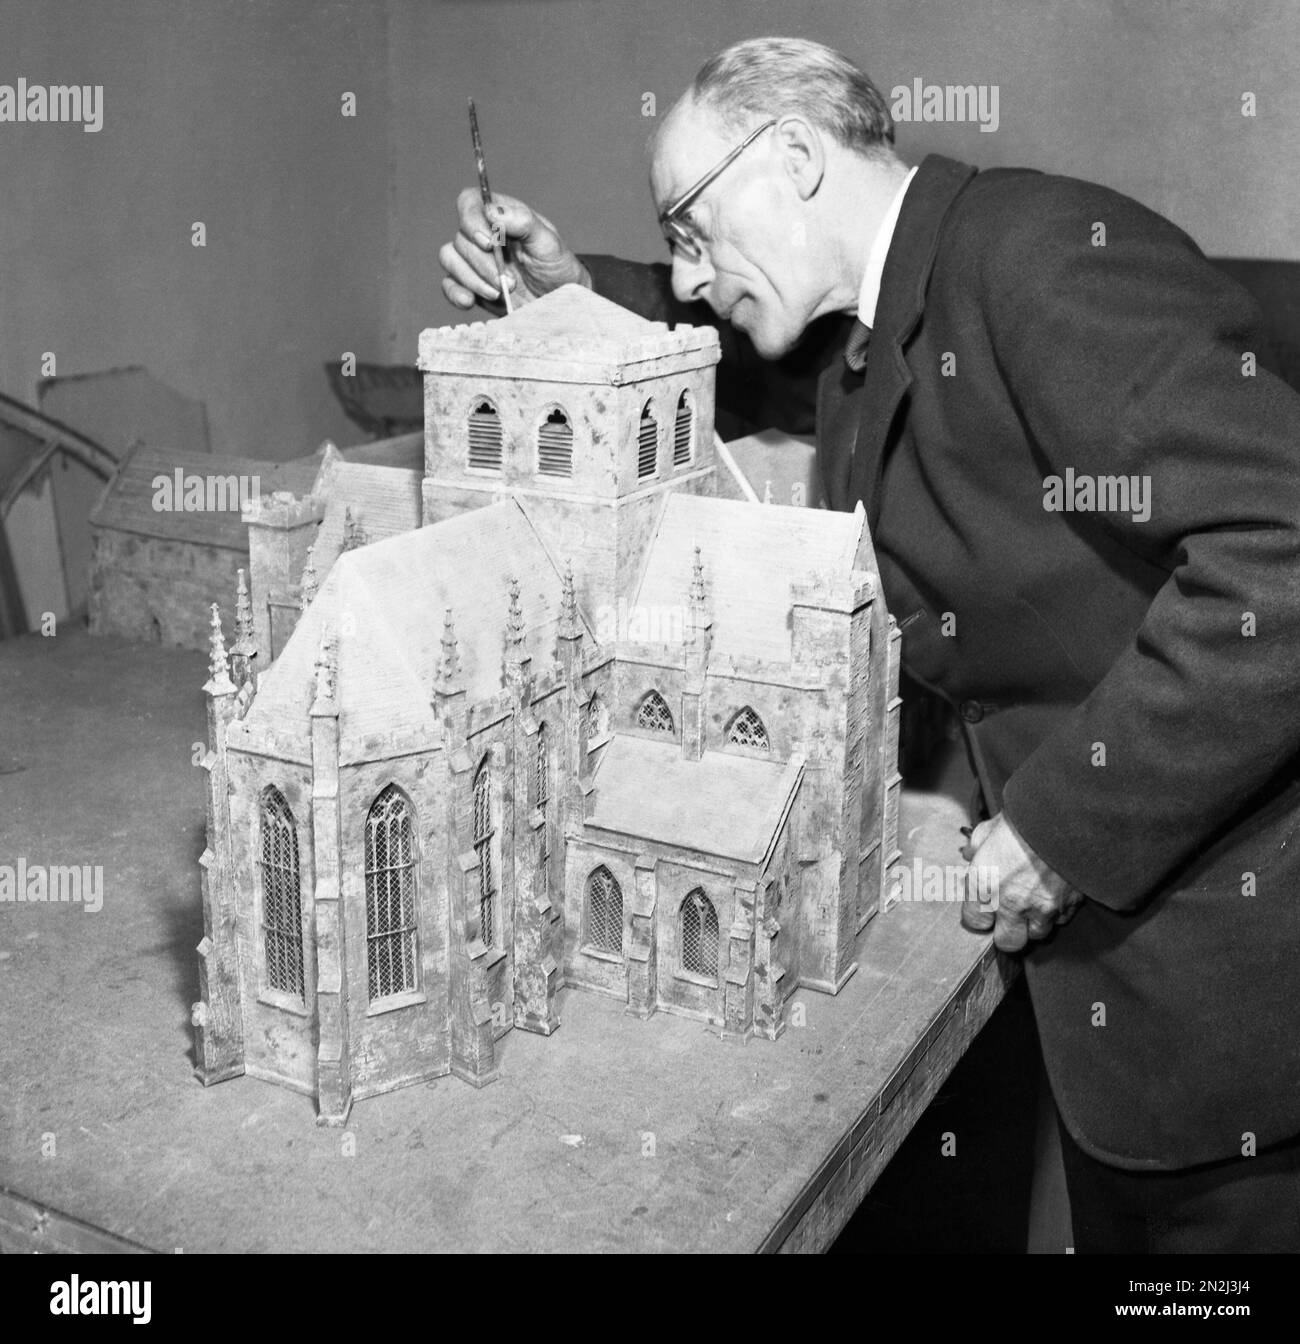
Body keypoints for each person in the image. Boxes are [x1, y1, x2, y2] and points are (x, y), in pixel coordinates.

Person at [438, 35, 1300, 1252]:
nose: (688, 280)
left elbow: (1286, 550)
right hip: (1118, 1004)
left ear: (790, 155)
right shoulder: (885, 313)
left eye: (690, 228)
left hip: (1234, 1002)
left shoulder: (1042, 260)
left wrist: (1061, 825)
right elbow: (762, 366)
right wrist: (572, 284)